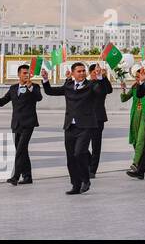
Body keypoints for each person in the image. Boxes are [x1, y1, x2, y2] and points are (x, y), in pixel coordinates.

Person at [41, 61, 111, 195]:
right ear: (73, 73)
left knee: (79, 153)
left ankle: (86, 179)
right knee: (71, 158)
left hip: (86, 126)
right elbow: (50, 91)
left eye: (83, 71)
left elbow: (102, 91)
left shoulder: (91, 85)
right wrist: (45, 79)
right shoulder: (68, 86)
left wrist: (100, 77)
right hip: (70, 126)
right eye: (79, 71)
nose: (82, 73)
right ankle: (75, 185)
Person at [0, 62, 41, 186]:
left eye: (28, 73)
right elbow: (1, 102)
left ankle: (15, 177)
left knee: (20, 150)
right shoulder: (13, 88)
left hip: (29, 123)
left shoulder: (34, 87)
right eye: (24, 73)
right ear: (19, 74)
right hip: (16, 123)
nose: (27, 75)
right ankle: (27, 176)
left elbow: (39, 98)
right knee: (22, 150)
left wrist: (30, 88)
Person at [85, 63, 113, 178]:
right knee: (81, 144)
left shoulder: (101, 83)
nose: (96, 74)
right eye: (94, 72)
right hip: (85, 118)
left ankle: (92, 170)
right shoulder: (86, 83)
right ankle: (89, 162)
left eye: (98, 72)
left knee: (96, 145)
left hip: (98, 118)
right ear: (90, 73)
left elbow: (109, 90)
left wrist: (103, 77)